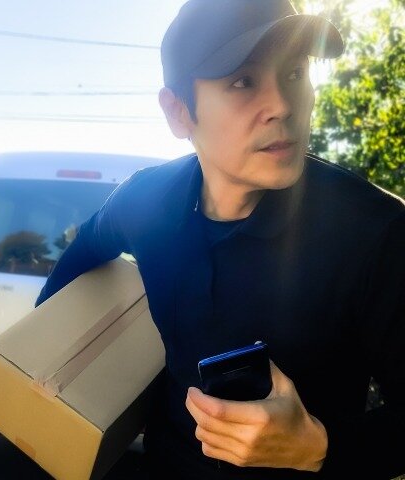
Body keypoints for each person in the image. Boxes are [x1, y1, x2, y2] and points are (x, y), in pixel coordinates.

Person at [35, 0, 405, 478]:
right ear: (178, 112)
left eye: (295, 72)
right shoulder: (146, 199)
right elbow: (86, 246)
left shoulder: (374, 232)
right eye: (243, 81)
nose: (283, 106)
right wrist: (44, 354)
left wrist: (318, 448)